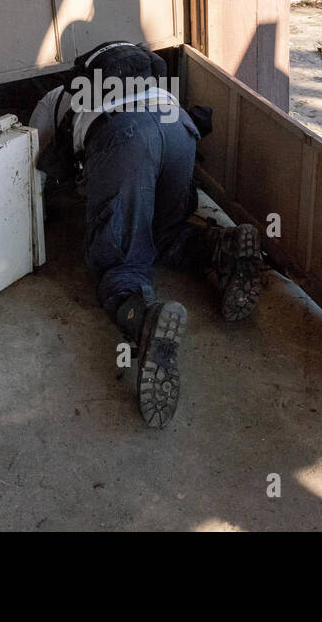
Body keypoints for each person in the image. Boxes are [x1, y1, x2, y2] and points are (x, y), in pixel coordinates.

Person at [29, 40, 262, 429]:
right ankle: (225, 244)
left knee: (120, 257)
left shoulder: (49, 103)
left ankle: (144, 317)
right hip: (177, 126)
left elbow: (31, 171)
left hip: (125, 135)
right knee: (167, 231)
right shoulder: (139, 77)